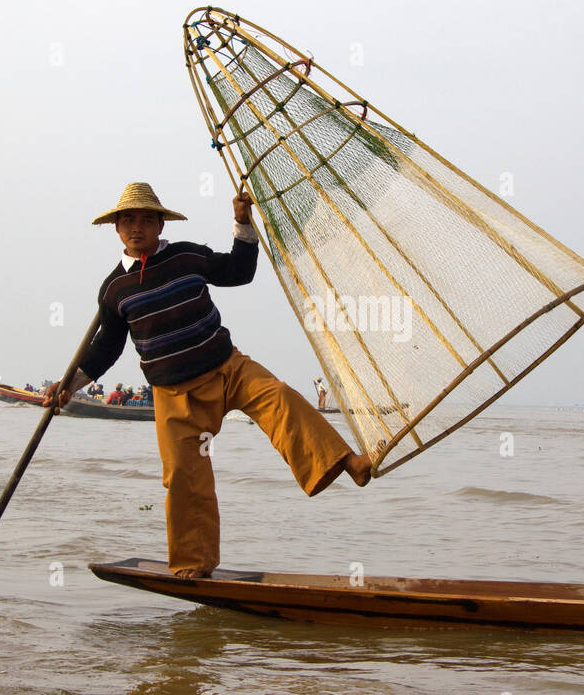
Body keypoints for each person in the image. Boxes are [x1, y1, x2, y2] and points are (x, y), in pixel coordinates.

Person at [44, 182, 372, 578]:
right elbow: (107, 348)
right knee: (185, 477)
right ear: (116, 228)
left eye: (147, 220)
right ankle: (193, 566)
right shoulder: (114, 290)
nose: (137, 228)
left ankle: (347, 462)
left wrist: (241, 221)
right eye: (128, 220)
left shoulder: (186, 256)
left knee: (281, 398)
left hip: (228, 369)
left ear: (161, 225)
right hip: (173, 395)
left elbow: (239, 272)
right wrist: (69, 386)